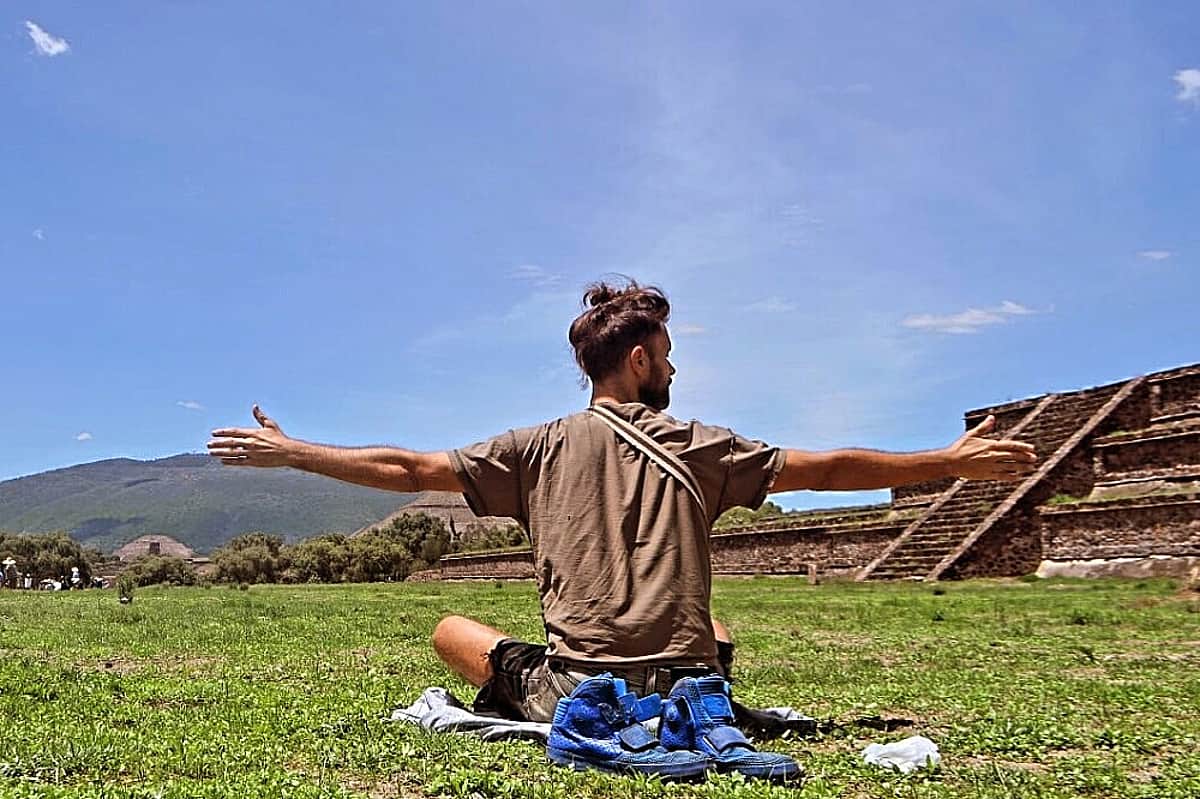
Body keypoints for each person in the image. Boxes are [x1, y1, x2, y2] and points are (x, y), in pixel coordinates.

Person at [207, 279, 1036, 724]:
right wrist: (945, 460)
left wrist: (294, 453)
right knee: (711, 629)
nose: (675, 371)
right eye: (667, 355)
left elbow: (411, 466)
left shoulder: (533, 447)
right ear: (639, 360)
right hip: (683, 678)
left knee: (449, 630)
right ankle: (687, 696)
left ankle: (600, 697)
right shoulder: (701, 445)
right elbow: (824, 466)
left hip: (577, 690)